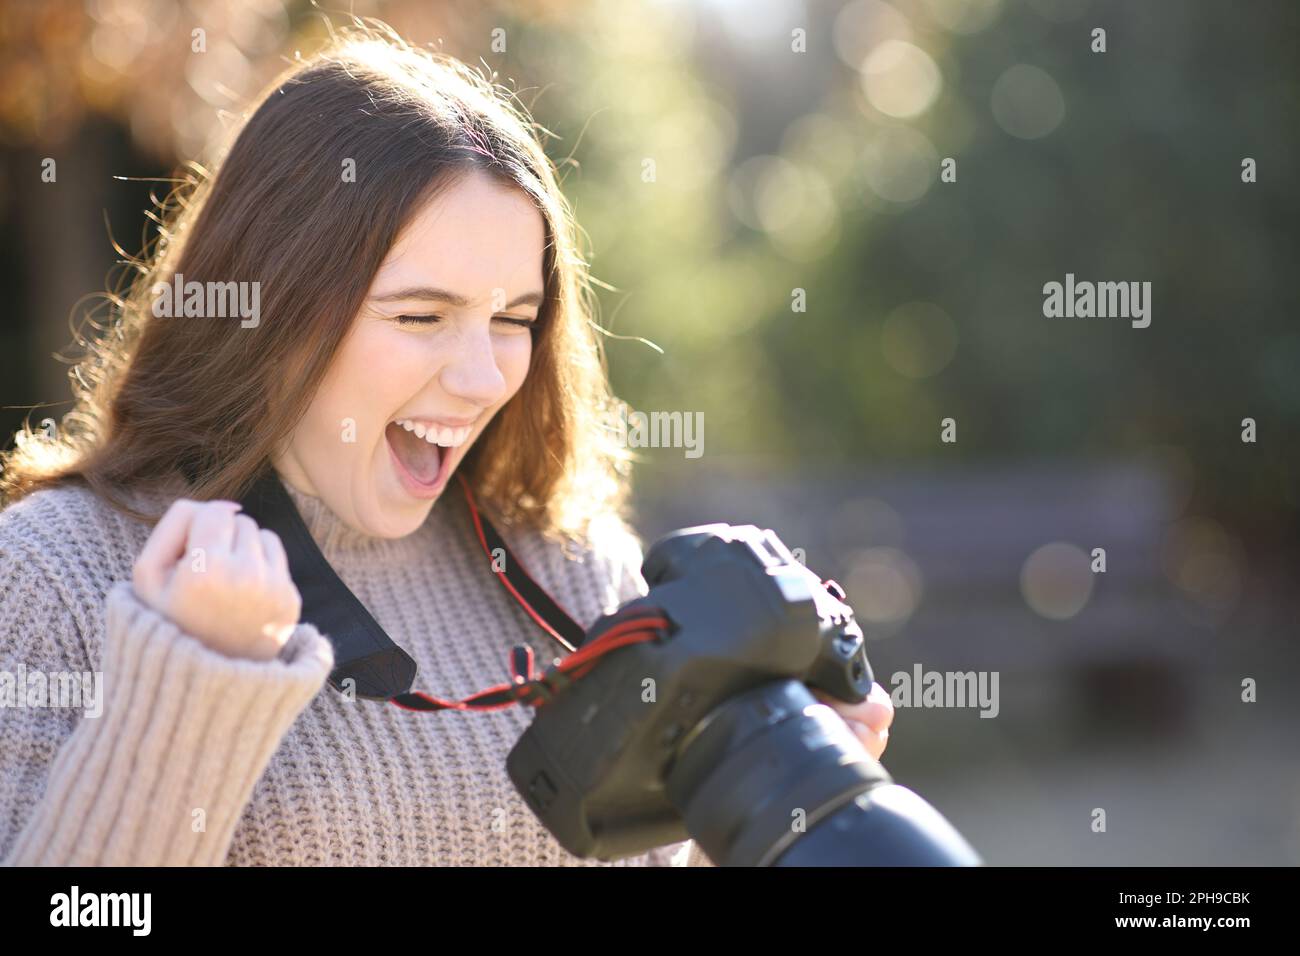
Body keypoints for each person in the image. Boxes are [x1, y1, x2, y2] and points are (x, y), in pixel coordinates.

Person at [0, 27, 893, 867]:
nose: (481, 378)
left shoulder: (571, 574)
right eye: (421, 315)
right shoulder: (56, 577)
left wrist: (777, 803)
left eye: (515, 320)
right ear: (268, 310)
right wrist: (193, 683)